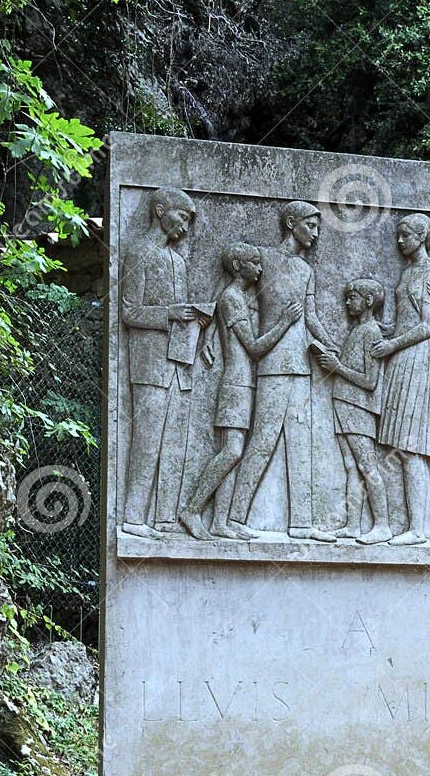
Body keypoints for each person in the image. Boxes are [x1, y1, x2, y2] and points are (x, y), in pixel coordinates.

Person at [227, 200, 337, 540]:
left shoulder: (306, 270)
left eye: (319, 228)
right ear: (291, 223)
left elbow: (311, 316)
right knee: (263, 440)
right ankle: (234, 517)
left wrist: (333, 345)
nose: (316, 234)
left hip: (300, 364)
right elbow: (238, 290)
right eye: (311, 225)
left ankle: (302, 524)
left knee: (301, 442)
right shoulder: (264, 260)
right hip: (272, 364)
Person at [178, 245, 303, 540]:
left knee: (235, 453)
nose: (260, 269)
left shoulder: (239, 298)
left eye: (261, 263)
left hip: (244, 383)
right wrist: (285, 322)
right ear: (237, 265)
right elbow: (255, 348)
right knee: (232, 451)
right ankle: (192, 509)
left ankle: (221, 522)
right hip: (235, 383)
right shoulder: (232, 298)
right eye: (254, 263)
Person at [119, 186, 214, 537]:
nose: (186, 227)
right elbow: (130, 313)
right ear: (160, 211)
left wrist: (195, 319)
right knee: (147, 440)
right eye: (182, 217)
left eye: (190, 221)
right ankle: (132, 518)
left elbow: (177, 314)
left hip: (179, 360)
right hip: (149, 362)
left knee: (174, 443)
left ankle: (163, 519)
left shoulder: (178, 259)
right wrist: (171, 314)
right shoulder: (140, 252)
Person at [373, 213, 430, 545]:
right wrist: (384, 331)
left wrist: (392, 345)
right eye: (397, 236)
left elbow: (428, 326)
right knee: (400, 446)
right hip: (401, 357)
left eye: (405, 235)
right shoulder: (408, 272)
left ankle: (420, 528)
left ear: (421, 236)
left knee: (411, 447)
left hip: (417, 360)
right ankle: (413, 525)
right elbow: (405, 320)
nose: (399, 241)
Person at [318, 277, 392, 544]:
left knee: (367, 465)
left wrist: (336, 367)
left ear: (368, 301)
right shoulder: (357, 331)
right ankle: (353, 526)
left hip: (359, 406)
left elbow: (370, 381)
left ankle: (383, 525)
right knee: (351, 467)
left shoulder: (371, 332)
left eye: (353, 297)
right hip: (343, 402)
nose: (348, 302)